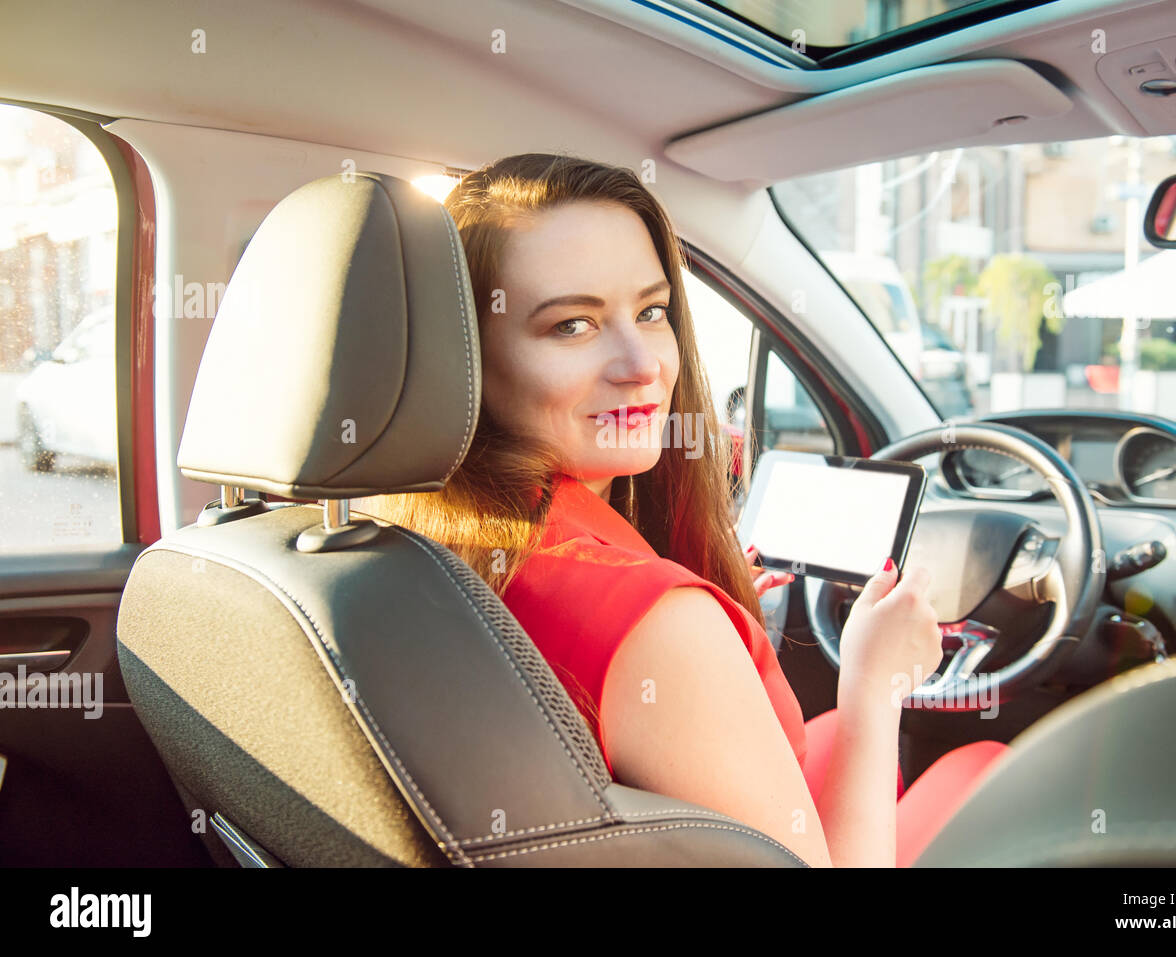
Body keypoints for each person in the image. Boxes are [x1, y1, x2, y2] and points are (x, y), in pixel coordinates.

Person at [354, 153, 1009, 867]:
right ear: (469, 356)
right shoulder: (657, 623)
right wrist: (875, 684)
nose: (642, 364)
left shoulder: (395, 541)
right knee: (981, 762)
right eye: (571, 325)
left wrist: (714, 629)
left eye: (652, 310)